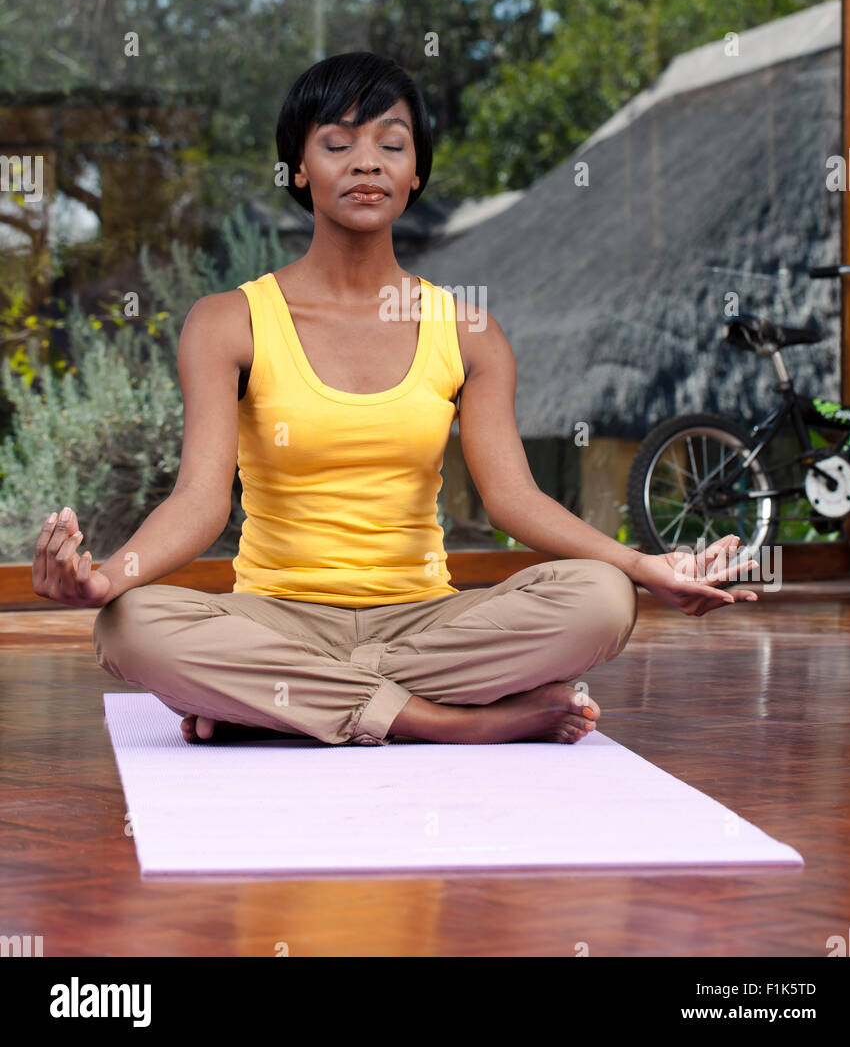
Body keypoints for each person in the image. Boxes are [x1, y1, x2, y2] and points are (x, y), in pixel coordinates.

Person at [32, 51, 759, 747]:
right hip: (274, 620)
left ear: (415, 174)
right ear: (298, 170)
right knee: (129, 626)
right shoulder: (228, 322)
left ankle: (279, 706)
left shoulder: (470, 332)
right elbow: (199, 500)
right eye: (338, 144)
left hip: (427, 623)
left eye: (391, 143)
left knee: (601, 601)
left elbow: (514, 502)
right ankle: (443, 721)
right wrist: (107, 578)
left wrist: (643, 566)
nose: (367, 162)